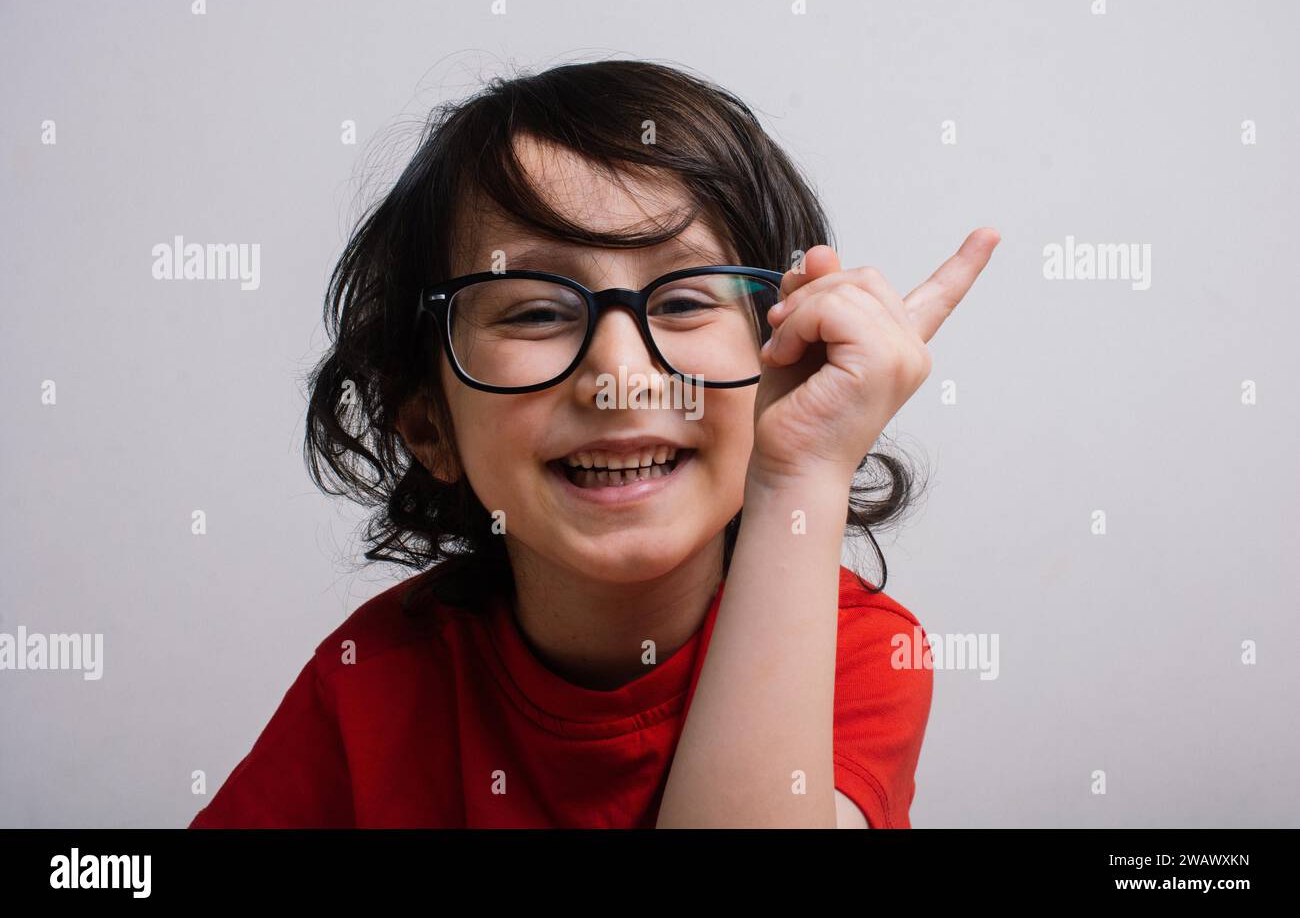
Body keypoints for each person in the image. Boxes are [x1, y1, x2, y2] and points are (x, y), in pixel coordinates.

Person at [189, 58, 999, 828]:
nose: (620, 374)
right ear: (431, 425)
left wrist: (802, 474)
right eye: (536, 311)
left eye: (683, 301)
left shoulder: (857, 652)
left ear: (781, 361)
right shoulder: (375, 676)